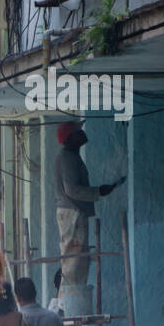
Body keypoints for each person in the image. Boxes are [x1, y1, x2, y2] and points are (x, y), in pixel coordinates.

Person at [55, 122, 121, 288]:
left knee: (79, 260)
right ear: (70, 138)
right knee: (73, 262)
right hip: (73, 212)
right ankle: (69, 302)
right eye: (78, 131)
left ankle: (74, 300)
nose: (82, 133)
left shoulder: (71, 156)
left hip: (73, 211)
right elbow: (71, 189)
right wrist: (98, 191)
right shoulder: (68, 158)